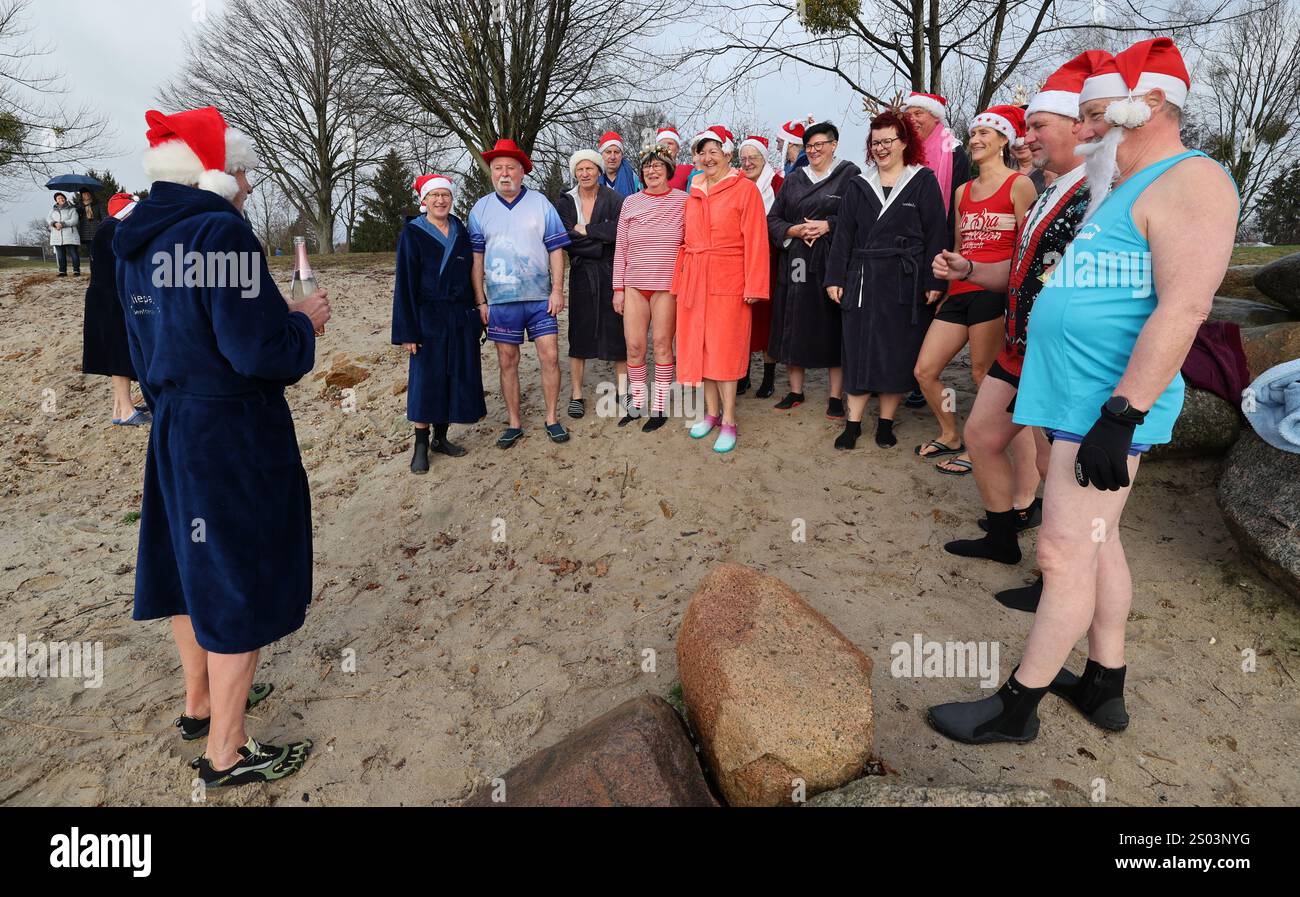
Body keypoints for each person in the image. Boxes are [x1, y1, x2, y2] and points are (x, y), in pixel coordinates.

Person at [927, 38, 1238, 744]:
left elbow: (1183, 308)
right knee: (1102, 545)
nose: (1086, 126)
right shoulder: (1122, 182)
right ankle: (1104, 679)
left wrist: (1122, 413)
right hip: (1075, 398)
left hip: (1105, 405)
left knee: (1062, 554)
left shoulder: (1193, 180)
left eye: (1096, 114)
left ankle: (1016, 707)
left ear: (1151, 104)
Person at [115, 106, 329, 786]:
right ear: (215, 169)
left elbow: (143, 345)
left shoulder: (136, 241)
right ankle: (227, 753)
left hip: (173, 424)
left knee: (187, 565)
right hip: (231, 433)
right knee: (241, 579)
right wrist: (302, 324)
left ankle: (200, 701)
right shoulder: (222, 236)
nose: (248, 180)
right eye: (241, 168)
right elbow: (256, 350)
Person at [931, 52, 1104, 596]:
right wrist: (970, 268)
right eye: (1025, 127)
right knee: (982, 434)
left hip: (1059, 352)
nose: (1026, 137)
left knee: (1057, 464)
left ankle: (1055, 578)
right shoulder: (1052, 187)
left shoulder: (1097, 191)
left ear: (1079, 127)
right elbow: (1024, 270)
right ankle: (1003, 537)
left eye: (1037, 126)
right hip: (1018, 342)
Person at [913, 105, 1037, 475]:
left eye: (986, 133)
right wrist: (948, 289)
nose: (976, 140)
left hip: (995, 291)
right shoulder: (963, 190)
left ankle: (981, 447)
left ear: (1003, 140)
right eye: (973, 133)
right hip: (961, 290)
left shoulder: (1020, 184)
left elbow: (1027, 247)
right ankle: (951, 433)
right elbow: (958, 245)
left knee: (983, 374)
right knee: (924, 370)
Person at [824, 109, 948, 449]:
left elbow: (937, 233)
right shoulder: (859, 185)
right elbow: (844, 235)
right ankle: (852, 423)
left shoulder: (923, 181)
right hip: (863, 278)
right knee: (858, 348)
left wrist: (934, 281)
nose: (880, 148)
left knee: (896, 350)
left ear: (904, 142)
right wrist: (835, 277)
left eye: (888, 141)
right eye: (875, 142)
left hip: (904, 283)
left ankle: (886, 422)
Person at [469, 138, 572, 447]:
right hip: (501, 301)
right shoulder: (480, 209)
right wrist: (480, 300)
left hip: (541, 298)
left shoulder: (541, 203)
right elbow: (477, 259)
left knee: (550, 357)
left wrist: (557, 290)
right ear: (490, 172)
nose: (504, 174)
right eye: (498, 168)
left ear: (522, 172)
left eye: (510, 168)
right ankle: (514, 422)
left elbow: (556, 251)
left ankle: (552, 418)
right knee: (507, 360)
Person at [674, 125, 770, 453]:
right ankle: (711, 413)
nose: (708, 157)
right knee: (702, 349)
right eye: (702, 151)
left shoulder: (745, 191)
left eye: (714, 151)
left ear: (728, 154)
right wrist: (680, 280)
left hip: (729, 279)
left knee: (725, 350)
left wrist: (755, 284)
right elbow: (685, 242)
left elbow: (757, 240)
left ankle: (729, 418)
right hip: (696, 278)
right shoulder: (694, 190)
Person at [392, 174, 487, 473]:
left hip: (458, 315)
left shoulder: (460, 229)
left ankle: (441, 438)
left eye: (445, 195)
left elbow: (473, 270)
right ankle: (420, 445)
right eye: (434, 196)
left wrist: (476, 309)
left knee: (452, 376)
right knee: (426, 380)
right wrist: (408, 331)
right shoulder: (413, 233)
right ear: (424, 200)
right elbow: (404, 285)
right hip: (427, 318)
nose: (441, 200)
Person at [766, 121, 859, 418]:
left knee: (833, 322)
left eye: (821, 144)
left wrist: (829, 225)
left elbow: (860, 217)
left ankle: (835, 396)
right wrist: (795, 230)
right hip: (796, 261)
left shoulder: (850, 175)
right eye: (809, 146)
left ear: (834, 145)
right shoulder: (794, 180)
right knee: (794, 318)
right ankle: (795, 390)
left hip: (833, 258)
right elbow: (773, 220)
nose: (815, 150)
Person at [611, 143, 687, 430]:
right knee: (634, 346)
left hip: (666, 285)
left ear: (668, 169)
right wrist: (618, 287)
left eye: (658, 165)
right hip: (634, 285)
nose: (652, 170)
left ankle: (659, 407)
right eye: (647, 166)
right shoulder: (630, 203)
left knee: (662, 345)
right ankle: (637, 404)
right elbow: (621, 248)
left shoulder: (683, 201)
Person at [556, 149, 626, 419]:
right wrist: (599, 243)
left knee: (617, 328)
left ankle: (622, 390)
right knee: (580, 331)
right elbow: (566, 238)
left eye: (590, 169)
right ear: (574, 172)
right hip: (581, 273)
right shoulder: (565, 202)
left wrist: (588, 230)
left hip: (611, 272)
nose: (585, 174)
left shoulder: (615, 198)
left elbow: (620, 231)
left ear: (598, 170)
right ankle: (576, 394)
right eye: (580, 170)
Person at [82, 192, 149, 426]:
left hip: (104, 298)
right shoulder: (114, 230)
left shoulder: (107, 227)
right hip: (111, 300)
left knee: (116, 352)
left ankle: (119, 407)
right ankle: (126, 410)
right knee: (119, 353)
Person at [736, 135, 782, 397]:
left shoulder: (777, 184)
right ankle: (742, 375)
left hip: (769, 259)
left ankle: (768, 376)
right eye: (744, 158)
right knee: (741, 319)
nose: (748, 162)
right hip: (740, 260)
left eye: (753, 158)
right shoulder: (737, 183)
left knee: (766, 319)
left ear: (764, 159)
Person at [597, 131, 641, 197]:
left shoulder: (633, 178)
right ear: (602, 154)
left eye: (616, 152)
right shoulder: (594, 178)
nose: (612, 157)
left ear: (622, 155)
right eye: (608, 152)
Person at [48, 192, 80, 276]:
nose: (60, 199)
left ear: (65, 199)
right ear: (56, 200)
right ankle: (62, 271)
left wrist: (62, 224)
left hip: (70, 234)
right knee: (60, 255)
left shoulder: (72, 209)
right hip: (57, 235)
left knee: (74, 253)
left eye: (62, 197)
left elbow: (74, 220)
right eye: (58, 198)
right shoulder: (52, 210)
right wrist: (54, 224)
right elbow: (48, 219)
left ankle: (76, 270)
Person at [657, 127, 694, 191]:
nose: (666, 146)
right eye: (662, 144)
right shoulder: (648, 172)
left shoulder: (688, 170)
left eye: (670, 143)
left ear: (677, 148)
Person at [76, 189, 103, 261]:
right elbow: (76, 218)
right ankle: (93, 264)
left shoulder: (97, 204)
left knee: (97, 249)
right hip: (85, 231)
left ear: (91, 194)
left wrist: (103, 225)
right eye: (84, 194)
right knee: (90, 249)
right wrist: (80, 210)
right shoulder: (79, 206)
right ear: (81, 196)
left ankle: (98, 263)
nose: (86, 195)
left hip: (96, 229)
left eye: (88, 194)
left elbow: (103, 216)